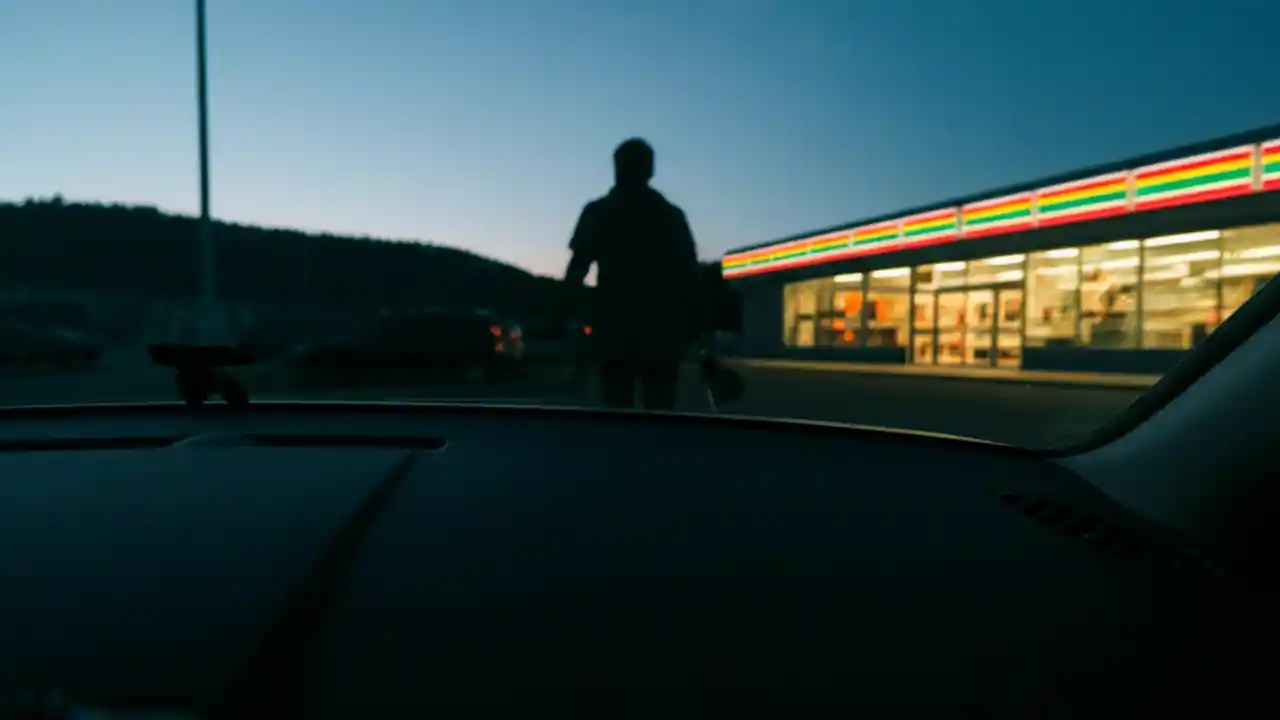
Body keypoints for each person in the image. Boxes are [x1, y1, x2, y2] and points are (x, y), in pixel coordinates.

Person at [563, 138, 702, 410]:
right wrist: (695, 325)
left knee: (617, 410)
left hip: (615, 326)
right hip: (661, 327)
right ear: (650, 170)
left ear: (616, 168)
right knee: (660, 409)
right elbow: (689, 276)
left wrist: (573, 315)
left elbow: (577, 270)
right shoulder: (671, 216)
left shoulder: (599, 212)